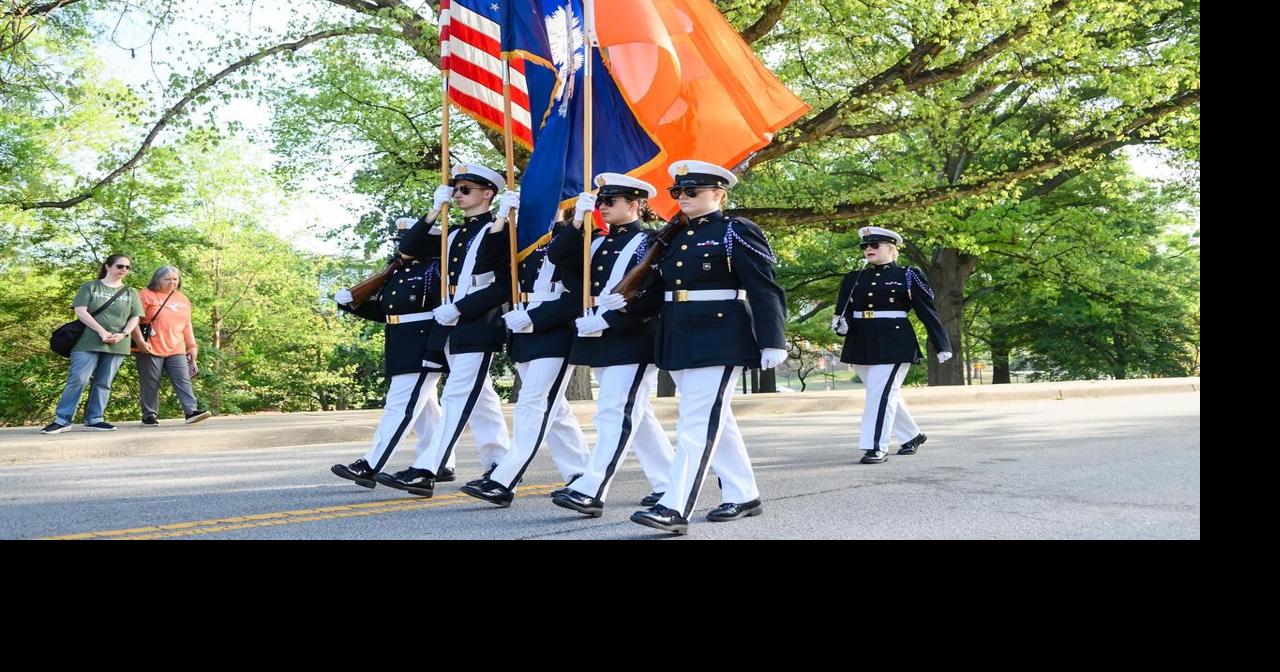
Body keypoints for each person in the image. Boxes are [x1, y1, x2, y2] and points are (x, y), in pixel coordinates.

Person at [606, 160, 788, 535]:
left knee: (695, 422)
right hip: (678, 333)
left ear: (719, 194)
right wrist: (623, 306)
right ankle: (743, 493)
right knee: (713, 419)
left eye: (692, 191)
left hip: (720, 334)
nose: (683, 197)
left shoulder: (736, 231)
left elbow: (764, 287)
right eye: (678, 191)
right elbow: (661, 292)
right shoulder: (673, 236)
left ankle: (675, 507)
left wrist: (773, 340)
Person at [375, 163, 515, 498]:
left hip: (477, 322)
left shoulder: (499, 229)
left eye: (465, 190)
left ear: (488, 194)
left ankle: (427, 468)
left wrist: (504, 219)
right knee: (481, 398)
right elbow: (407, 249)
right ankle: (501, 462)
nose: (458, 195)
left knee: (456, 395)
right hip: (448, 323)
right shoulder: (452, 234)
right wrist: (434, 210)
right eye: (455, 189)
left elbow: (502, 285)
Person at [547, 173, 675, 518]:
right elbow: (557, 257)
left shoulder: (651, 242)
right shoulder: (595, 242)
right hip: (601, 338)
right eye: (600, 201)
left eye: (610, 201)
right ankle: (668, 482)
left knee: (613, 412)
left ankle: (592, 488)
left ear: (634, 204)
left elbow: (654, 293)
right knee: (637, 414)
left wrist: (611, 319)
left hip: (632, 336)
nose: (602, 206)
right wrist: (576, 221)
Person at [330, 218, 455, 490]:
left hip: (422, 344)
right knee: (427, 411)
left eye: (408, 241)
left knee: (399, 406)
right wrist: (350, 304)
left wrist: (434, 349)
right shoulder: (397, 270)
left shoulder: (439, 270)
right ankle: (443, 464)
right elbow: (387, 312)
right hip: (399, 343)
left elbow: (443, 313)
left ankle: (371, 464)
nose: (402, 247)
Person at [830, 226, 952, 463]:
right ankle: (912, 435)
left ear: (892, 249)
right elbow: (843, 311)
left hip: (894, 341)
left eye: (874, 245)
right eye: (865, 246)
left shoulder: (908, 275)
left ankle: (876, 446)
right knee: (884, 393)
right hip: (860, 341)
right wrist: (841, 324)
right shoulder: (854, 277)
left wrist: (942, 344)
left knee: (879, 394)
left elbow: (927, 311)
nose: (868, 249)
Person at [42, 254, 144, 434]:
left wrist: (123, 334)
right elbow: (80, 311)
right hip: (87, 341)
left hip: (118, 343)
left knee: (104, 382)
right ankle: (62, 419)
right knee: (78, 379)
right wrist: (101, 331)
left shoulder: (130, 292)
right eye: (120, 266)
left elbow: (135, 317)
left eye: (127, 267)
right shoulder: (91, 286)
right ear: (108, 266)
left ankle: (95, 419)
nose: (124, 270)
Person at [131, 266, 212, 427]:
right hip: (151, 346)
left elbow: (187, 324)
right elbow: (133, 321)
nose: (172, 283)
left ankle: (191, 411)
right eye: (167, 279)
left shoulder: (182, 299)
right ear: (157, 279)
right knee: (150, 382)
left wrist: (192, 346)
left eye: (175, 279)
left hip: (177, 347)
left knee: (183, 379)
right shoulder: (145, 295)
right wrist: (140, 342)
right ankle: (149, 415)